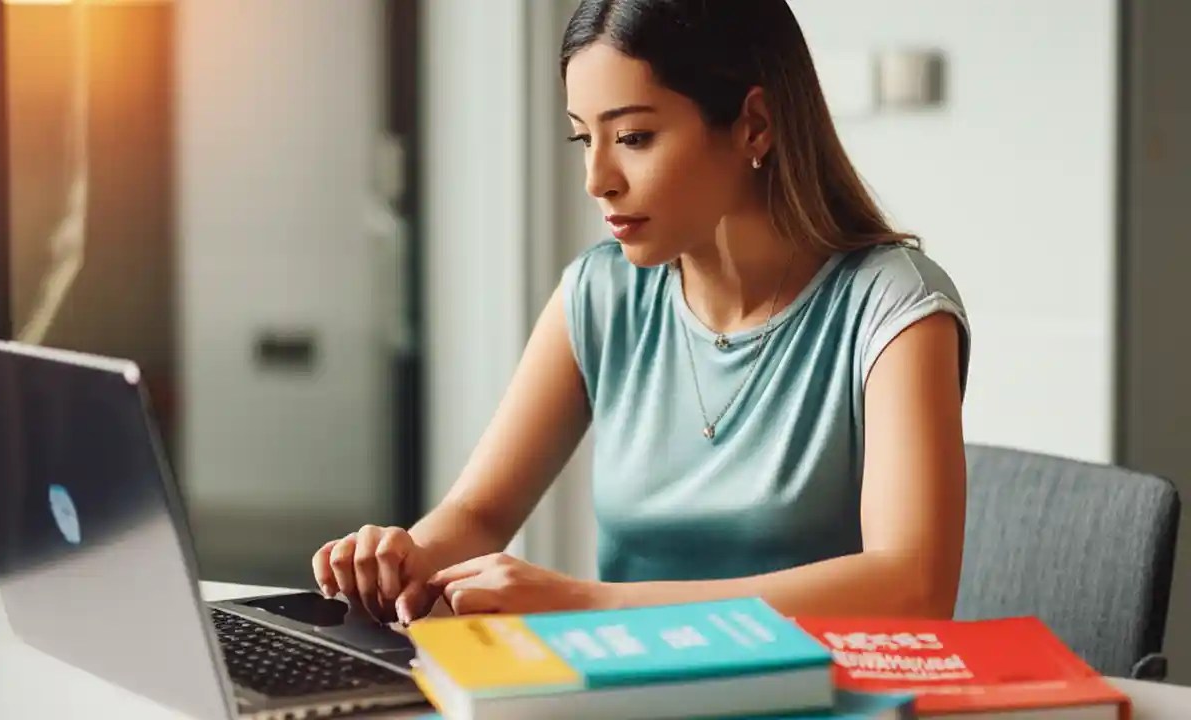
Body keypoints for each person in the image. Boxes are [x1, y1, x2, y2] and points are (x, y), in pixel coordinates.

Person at [312, 0, 969, 626]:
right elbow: (478, 513)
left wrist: (591, 605)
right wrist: (400, 562)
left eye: (633, 136)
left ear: (754, 125)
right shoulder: (600, 294)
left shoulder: (893, 306)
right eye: (582, 139)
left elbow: (911, 586)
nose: (597, 179)